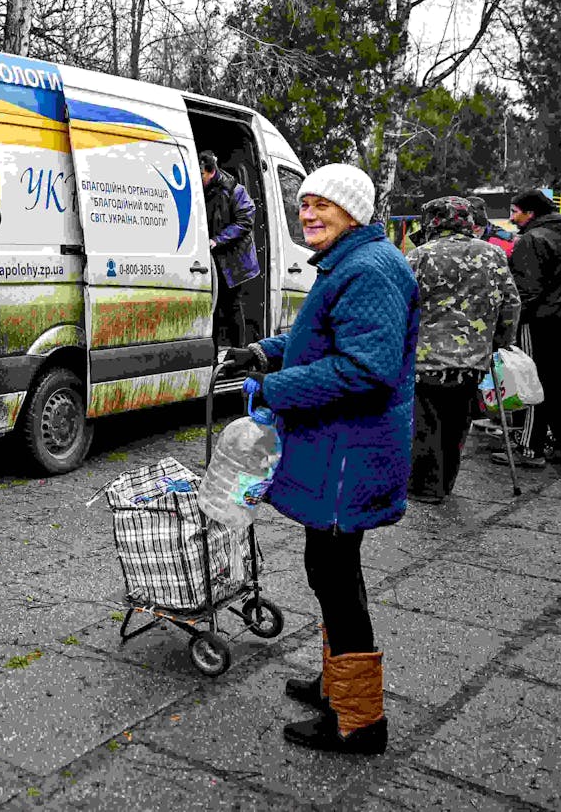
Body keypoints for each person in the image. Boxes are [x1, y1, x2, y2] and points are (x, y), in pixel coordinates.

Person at [225, 163, 418, 756]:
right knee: (329, 570)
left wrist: (273, 389)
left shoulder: (368, 271)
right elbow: (322, 342)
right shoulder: (352, 262)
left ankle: (359, 721)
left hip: (348, 455)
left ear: (354, 211)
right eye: (303, 203)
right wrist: (263, 351)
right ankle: (337, 682)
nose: (307, 213)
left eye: (322, 205)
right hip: (342, 449)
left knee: (333, 578)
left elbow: (366, 368)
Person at [405, 197, 519, 504]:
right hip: (473, 359)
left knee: (427, 422)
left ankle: (424, 487)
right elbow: (511, 303)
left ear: (432, 222)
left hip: (426, 359)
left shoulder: (419, 256)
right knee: (458, 422)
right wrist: (501, 341)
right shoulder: (493, 254)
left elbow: (402, 304)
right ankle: (446, 483)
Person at [493, 188, 561, 470]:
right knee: (557, 381)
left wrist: (510, 321)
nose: (511, 218)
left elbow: (525, 290)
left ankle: (530, 447)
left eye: (515, 212)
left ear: (531, 212)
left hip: (535, 321)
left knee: (530, 380)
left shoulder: (532, 240)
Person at [200, 150, 260, 347]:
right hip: (212, 258)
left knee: (232, 307)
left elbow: (245, 221)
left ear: (210, 171)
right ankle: (215, 358)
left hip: (232, 259)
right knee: (214, 309)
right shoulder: (202, 190)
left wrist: (218, 240)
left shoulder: (234, 189)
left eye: (201, 175)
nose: (198, 179)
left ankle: (238, 356)